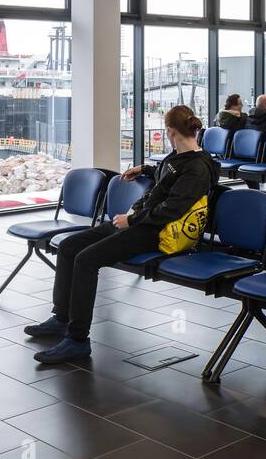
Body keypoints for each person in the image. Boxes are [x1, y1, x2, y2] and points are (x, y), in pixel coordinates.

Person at [25, 106, 219, 363]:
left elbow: (173, 207)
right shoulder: (179, 157)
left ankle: (77, 340)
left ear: (170, 131)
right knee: (70, 246)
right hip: (141, 224)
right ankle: (61, 318)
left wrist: (131, 219)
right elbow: (169, 176)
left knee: (86, 260)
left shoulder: (198, 167)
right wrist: (145, 169)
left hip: (154, 233)